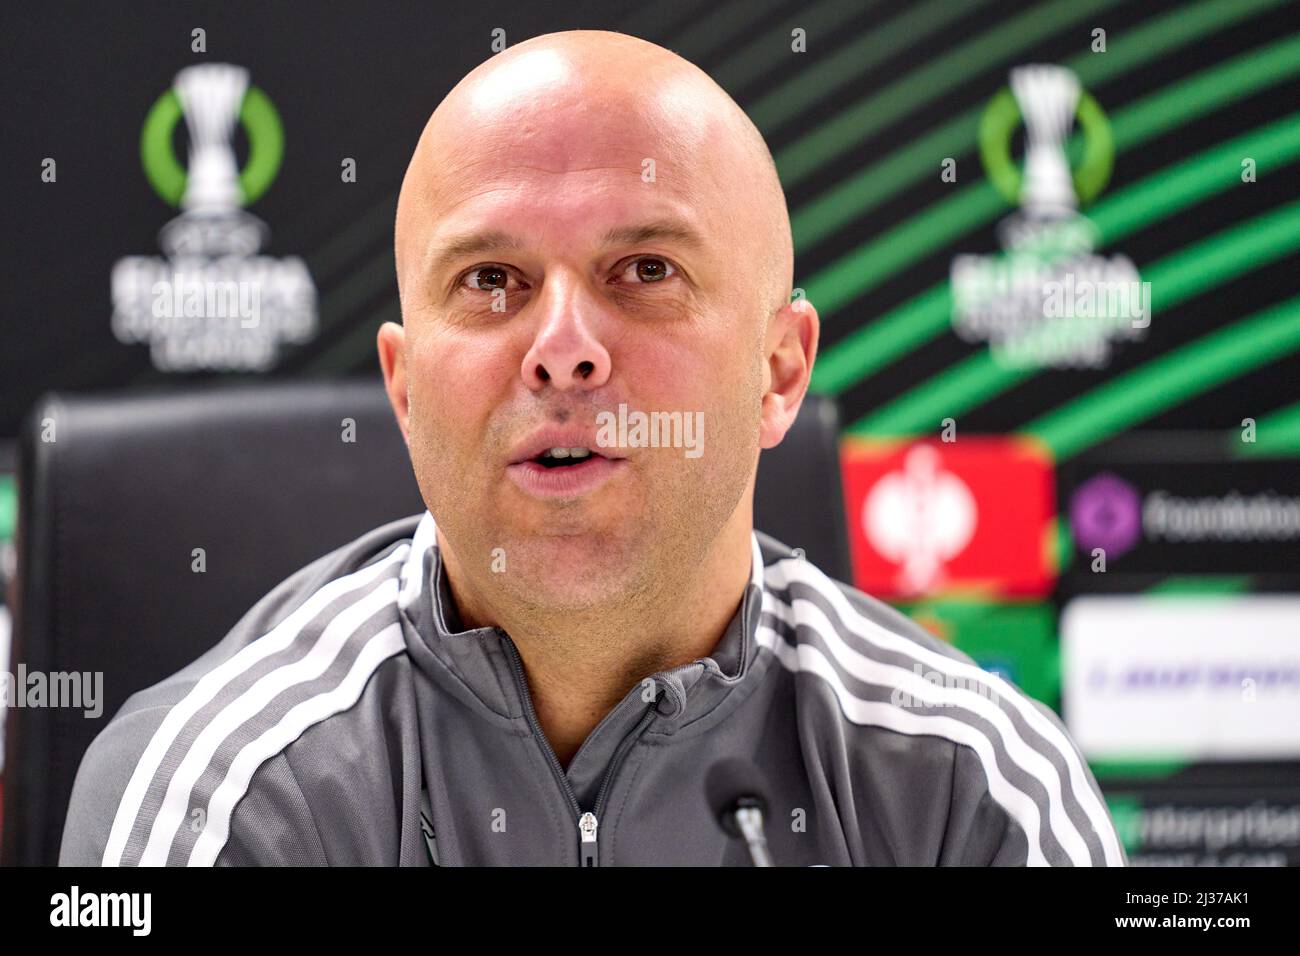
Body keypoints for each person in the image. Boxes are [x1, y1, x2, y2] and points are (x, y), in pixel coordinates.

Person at [59, 29, 1125, 866]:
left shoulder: (974, 789)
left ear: (779, 370)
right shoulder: (217, 793)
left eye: (645, 269)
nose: (562, 350)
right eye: (491, 281)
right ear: (403, 385)